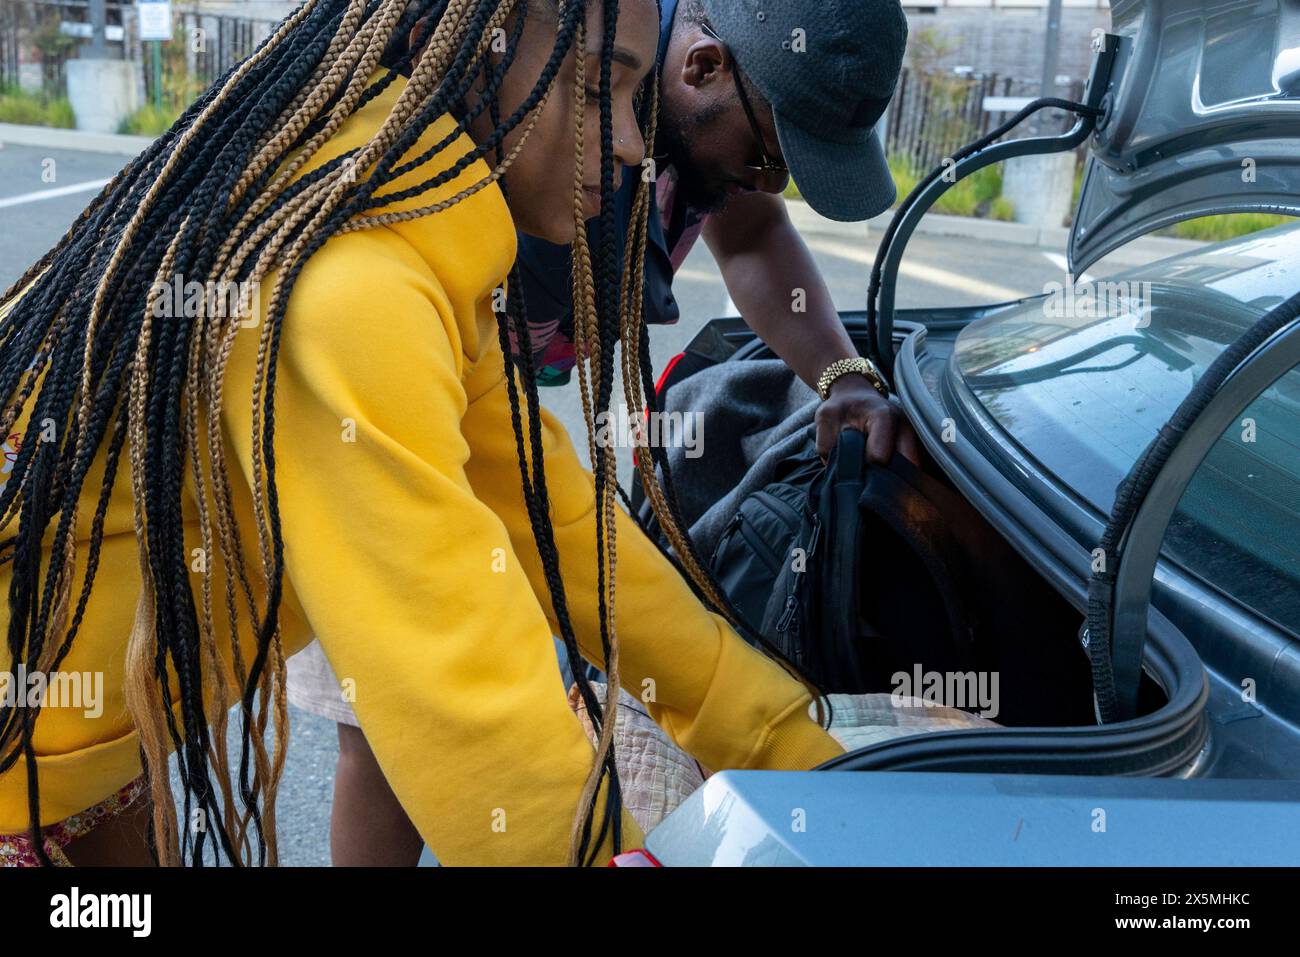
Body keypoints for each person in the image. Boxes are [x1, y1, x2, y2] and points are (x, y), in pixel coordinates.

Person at [0, 0, 844, 868]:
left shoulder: (410, 234)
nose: (630, 144)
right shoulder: (352, 287)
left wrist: (784, 742)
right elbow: (461, 689)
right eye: (600, 91)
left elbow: (561, 521)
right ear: (478, 57)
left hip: (74, 736)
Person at [291, 0, 918, 866]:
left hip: (480, 396)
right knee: (390, 717)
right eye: (767, 153)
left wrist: (785, 746)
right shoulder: (383, 277)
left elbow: (578, 543)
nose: (767, 184)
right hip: (373, 421)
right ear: (699, 68)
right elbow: (468, 709)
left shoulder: (647, 117)